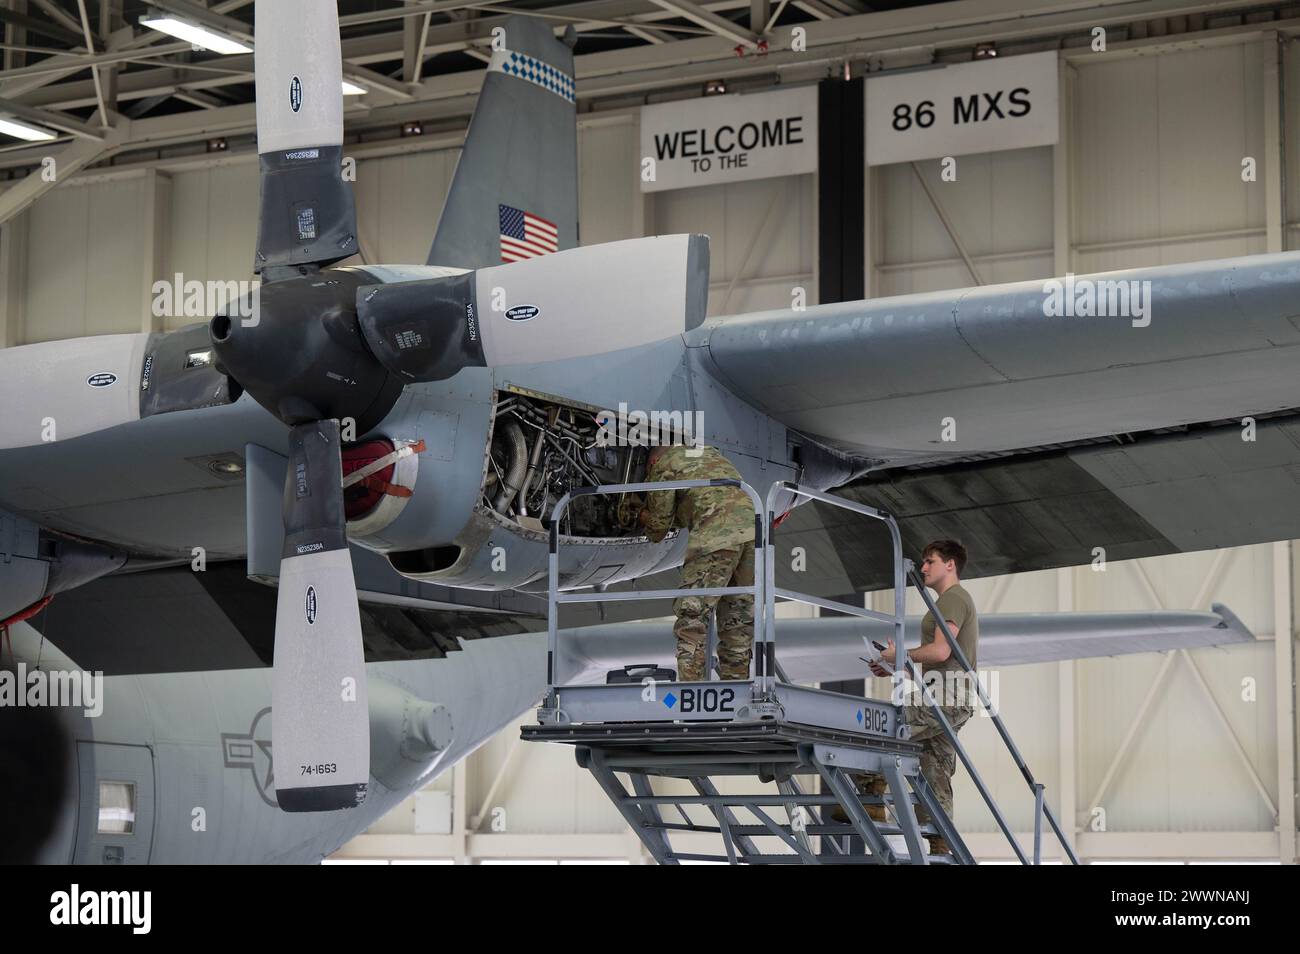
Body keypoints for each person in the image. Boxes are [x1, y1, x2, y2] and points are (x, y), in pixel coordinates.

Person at [861, 539, 979, 855]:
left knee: (884, 724)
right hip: (948, 694)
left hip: (947, 695)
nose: (924, 568)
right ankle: (941, 845)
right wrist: (897, 667)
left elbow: (941, 651)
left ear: (950, 565)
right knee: (935, 771)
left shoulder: (952, 600)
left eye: (930, 561)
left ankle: (871, 796)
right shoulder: (952, 601)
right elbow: (942, 661)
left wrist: (901, 654)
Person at [622, 442, 755, 681]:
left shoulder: (663, 466)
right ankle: (738, 692)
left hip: (716, 534)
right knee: (737, 621)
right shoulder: (708, 453)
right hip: (752, 534)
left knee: (692, 619)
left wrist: (637, 512)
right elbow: (695, 503)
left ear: (652, 463)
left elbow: (657, 529)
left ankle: (692, 694)